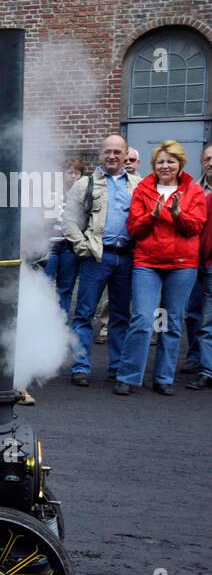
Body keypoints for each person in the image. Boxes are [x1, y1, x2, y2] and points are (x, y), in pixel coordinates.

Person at [113, 141, 207, 395]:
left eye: (170, 161)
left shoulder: (194, 192)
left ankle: (163, 377)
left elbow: (195, 227)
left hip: (181, 265)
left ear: (180, 164)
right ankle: (128, 375)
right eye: (161, 162)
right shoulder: (143, 190)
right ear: (154, 166)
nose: (165, 166)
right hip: (148, 264)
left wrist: (177, 214)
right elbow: (134, 228)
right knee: (143, 319)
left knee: (170, 321)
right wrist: (153, 216)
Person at [61, 134, 142, 385]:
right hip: (96, 257)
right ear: (100, 154)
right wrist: (83, 246)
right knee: (84, 314)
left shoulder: (138, 185)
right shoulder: (85, 184)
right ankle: (81, 366)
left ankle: (117, 366)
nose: (112, 156)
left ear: (125, 155)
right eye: (108, 151)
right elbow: (69, 220)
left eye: (118, 152)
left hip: (126, 257)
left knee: (120, 316)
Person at [43, 156, 87, 316]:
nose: (74, 176)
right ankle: (43, 321)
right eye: (70, 173)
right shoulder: (52, 193)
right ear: (63, 174)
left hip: (70, 247)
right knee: (44, 285)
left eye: (77, 173)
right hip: (51, 246)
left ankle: (62, 325)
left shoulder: (84, 196)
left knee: (65, 288)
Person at [185, 143, 212, 388]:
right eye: (207, 158)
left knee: (207, 319)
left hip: (209, 260)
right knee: (192, 312)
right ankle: (195, 357)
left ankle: (207, 366)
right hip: (194, 260)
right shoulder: (193, 189)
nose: (211, 162)